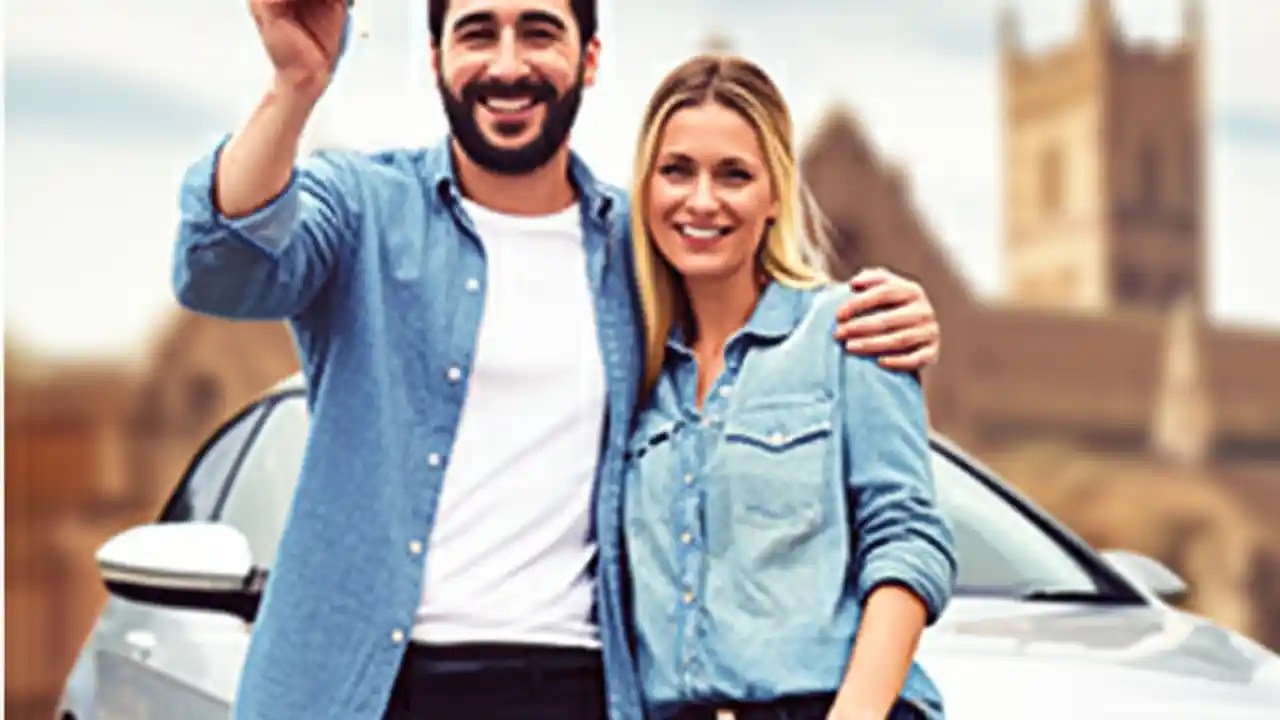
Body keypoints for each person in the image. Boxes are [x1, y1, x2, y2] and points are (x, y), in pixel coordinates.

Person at [172, 1, 944, 718]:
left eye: (539, 31)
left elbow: (752, 330)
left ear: (591, 58)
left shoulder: (638, 255)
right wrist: (295, 85)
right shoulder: (362, 207)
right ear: (435, 56)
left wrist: (878, 315)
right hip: (364, 686)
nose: (508, 65)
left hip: (573, 687)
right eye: (478, 33)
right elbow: (221, 268)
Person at [621, 54, 957, 720]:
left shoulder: (848, 330)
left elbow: (908, 538)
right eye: (677, 171)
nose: (702, 200)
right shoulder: (631, 369)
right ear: (645, 188)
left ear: (775, 194)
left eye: (735, 175)